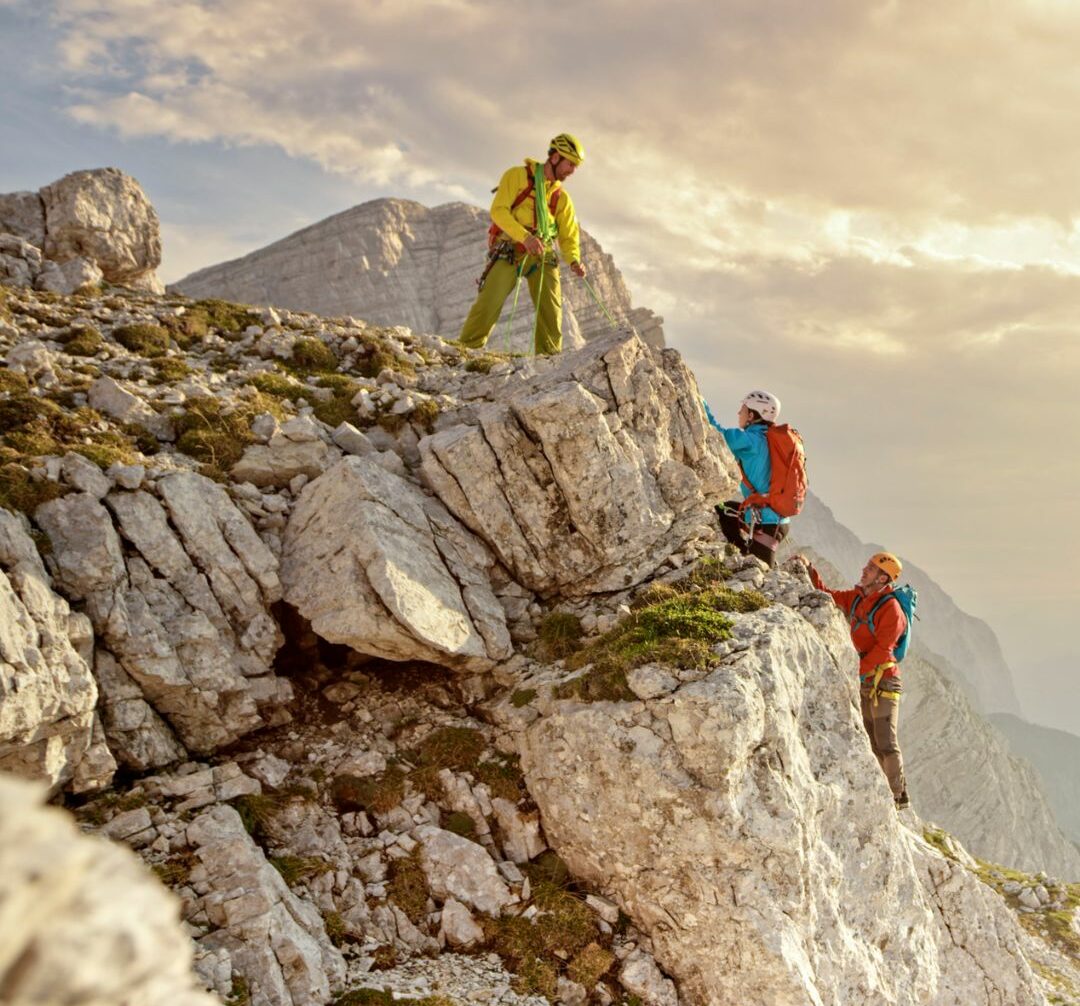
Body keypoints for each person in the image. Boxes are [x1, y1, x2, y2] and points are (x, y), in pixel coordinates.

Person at [798, 551, 910, 809]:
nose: (864, 570)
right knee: (870, 739)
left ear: (883, 578)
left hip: (884, 681)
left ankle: (898, 795)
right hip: (867, 679)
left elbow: (884, 649)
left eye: (871, 568)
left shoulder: (891, 609)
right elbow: (829, 596)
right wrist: (809, 569)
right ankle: (883, 790)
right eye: (867, 565)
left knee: (885, 740)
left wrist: (854, 670)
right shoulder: (859, 597)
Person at [459, 133, 587, 356]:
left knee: (552, 311)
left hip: (543, 255)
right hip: (510, 251)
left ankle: (548, 361)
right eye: (570, 163)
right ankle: (465, 353)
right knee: (488, 305)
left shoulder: (561, 198)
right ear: (555, 157)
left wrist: (573, 259)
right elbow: (498, 211)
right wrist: (525, 237)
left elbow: (569, 235)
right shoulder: (516, 176)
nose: (572, 171)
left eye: (575, 166)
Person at [703, 390, 789, 567]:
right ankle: (740, 554)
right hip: (772, 519)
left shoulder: (751, 441)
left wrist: (700, 403)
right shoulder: (767, 439)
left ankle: (741, 556)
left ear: (751, 415)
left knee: (762, 573)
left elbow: (717, 434)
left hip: (767, 523)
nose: (738, 413)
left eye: (742, 410)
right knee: (723, 510)